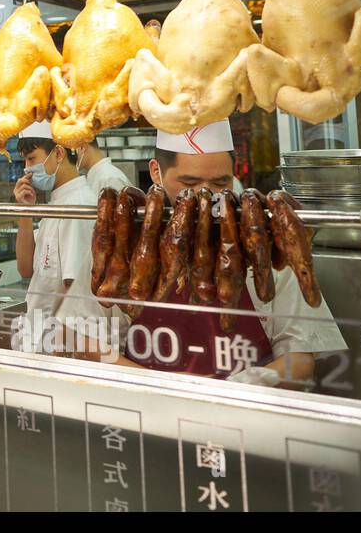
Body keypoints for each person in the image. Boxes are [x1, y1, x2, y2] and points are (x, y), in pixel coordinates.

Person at [107, 121, 347, 385]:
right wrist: (170, 392)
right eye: (189, 182)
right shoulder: (128, 244)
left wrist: (239, 389)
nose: (206, 195)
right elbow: (90, 345)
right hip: (149, 414)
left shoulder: (265, 247)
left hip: (244, 416)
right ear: (156, 172)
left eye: (221, 182)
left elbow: (301, 360)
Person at [12, 121, 114, 344]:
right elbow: (25, 268)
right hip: (42, 339)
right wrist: (25, 211)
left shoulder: (77, 205)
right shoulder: (57, 202)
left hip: (58, 343)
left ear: (58, 153)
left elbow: (75, 291)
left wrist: (64, 347)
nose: (27, 168)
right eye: (25, 161)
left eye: (32, 159)